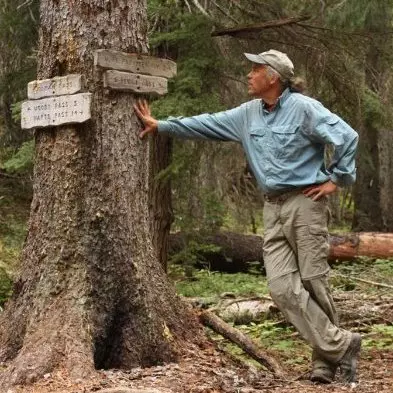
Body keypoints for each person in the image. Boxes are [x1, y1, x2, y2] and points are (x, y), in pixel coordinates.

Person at [134, 49, 361, 384]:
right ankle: (341, 345)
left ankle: (325, 362)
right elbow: (208, 123)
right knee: (282, 287)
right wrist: (163, 125)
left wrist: (337, 179)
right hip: (272, 207)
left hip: (305, 203)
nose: (248, 75)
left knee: (314, 280)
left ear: (273, 77)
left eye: (255, 70)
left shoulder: (303, 108)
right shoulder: (247, 114)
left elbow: (346, 137)